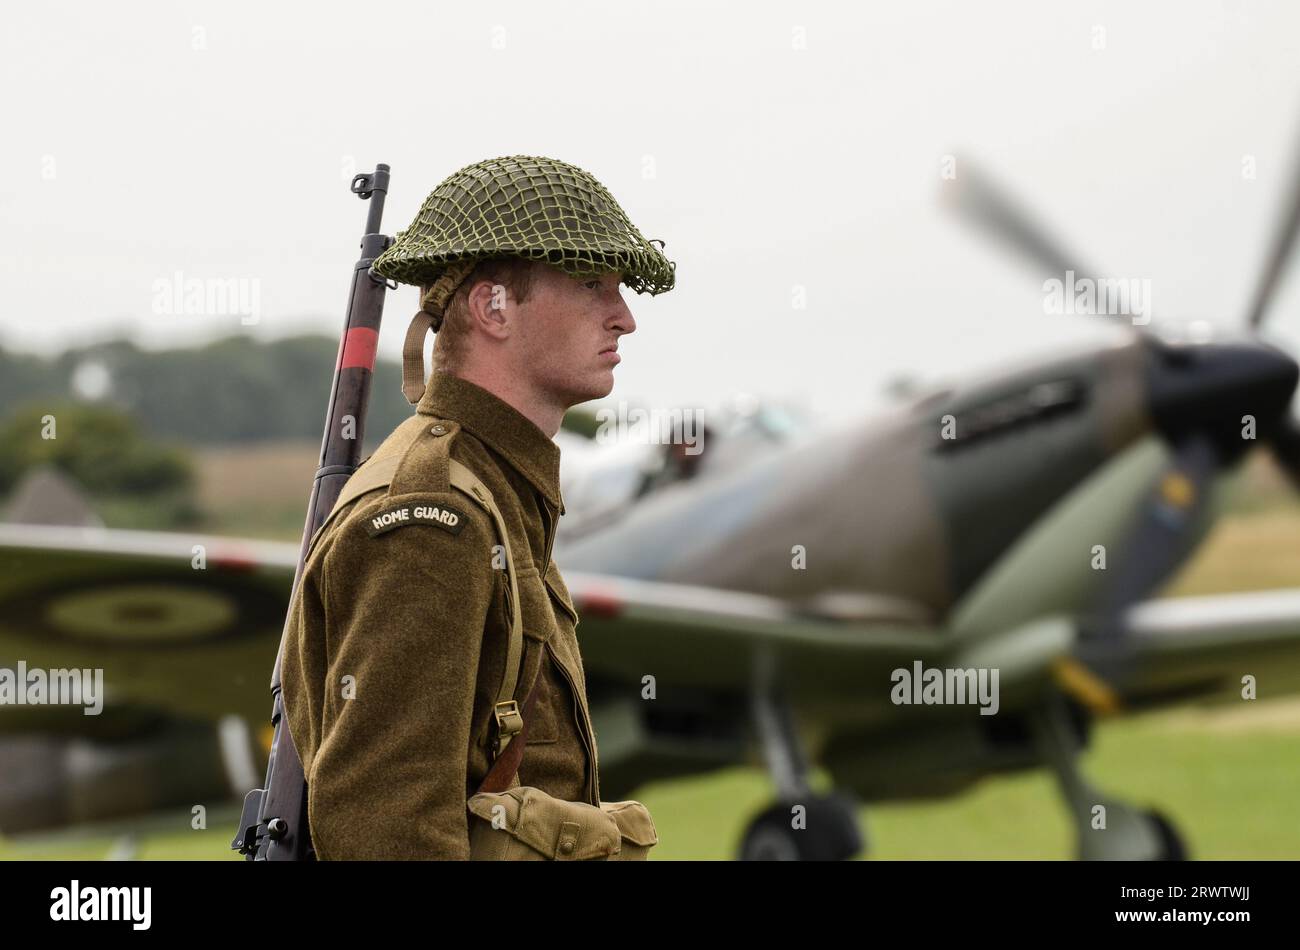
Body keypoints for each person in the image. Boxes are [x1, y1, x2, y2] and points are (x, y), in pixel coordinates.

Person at [280, 155, 675, 859]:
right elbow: (393, 828)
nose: (625, 318)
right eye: (591, 285)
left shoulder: (497, 490)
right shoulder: (431, 515)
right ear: (493, 308)